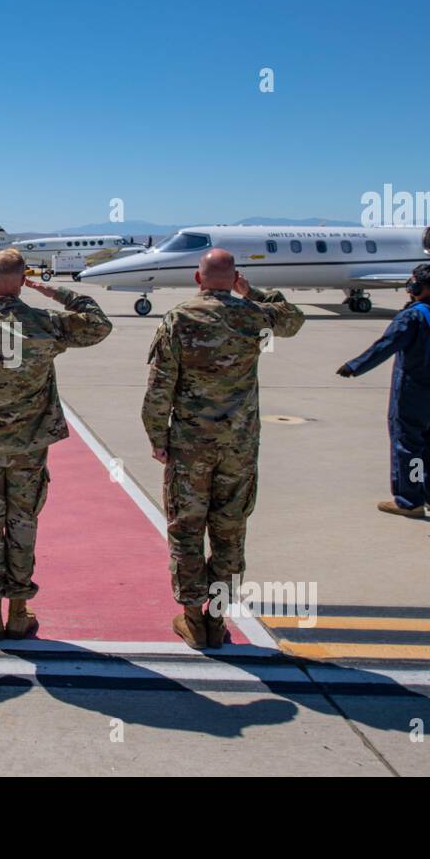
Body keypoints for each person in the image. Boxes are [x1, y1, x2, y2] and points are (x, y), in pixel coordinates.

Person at [0, 248, 112, 640]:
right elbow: (99, 325)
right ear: (23, 280)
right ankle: (18, 611)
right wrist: (55, 293)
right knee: (23, 522)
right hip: (30, 447)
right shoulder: (44, 323)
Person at [142, 248, 304, 649]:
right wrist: (253, 294)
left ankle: (194, 619)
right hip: (239, 446)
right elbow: (293, 319)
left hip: (190, 446)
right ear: (235, 279)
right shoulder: (254, 316)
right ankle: (218, 618)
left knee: (186, 529)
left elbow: (160, 387)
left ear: (197, 279)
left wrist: (156, 437)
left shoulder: (180, 319)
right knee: (230, 531)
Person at [336, 262, 430, 518]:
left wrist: (354, 366)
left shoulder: (411, 316)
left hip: (412, 388)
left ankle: (410, 501)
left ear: (417, 286)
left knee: (408, 445)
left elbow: (385, 346)